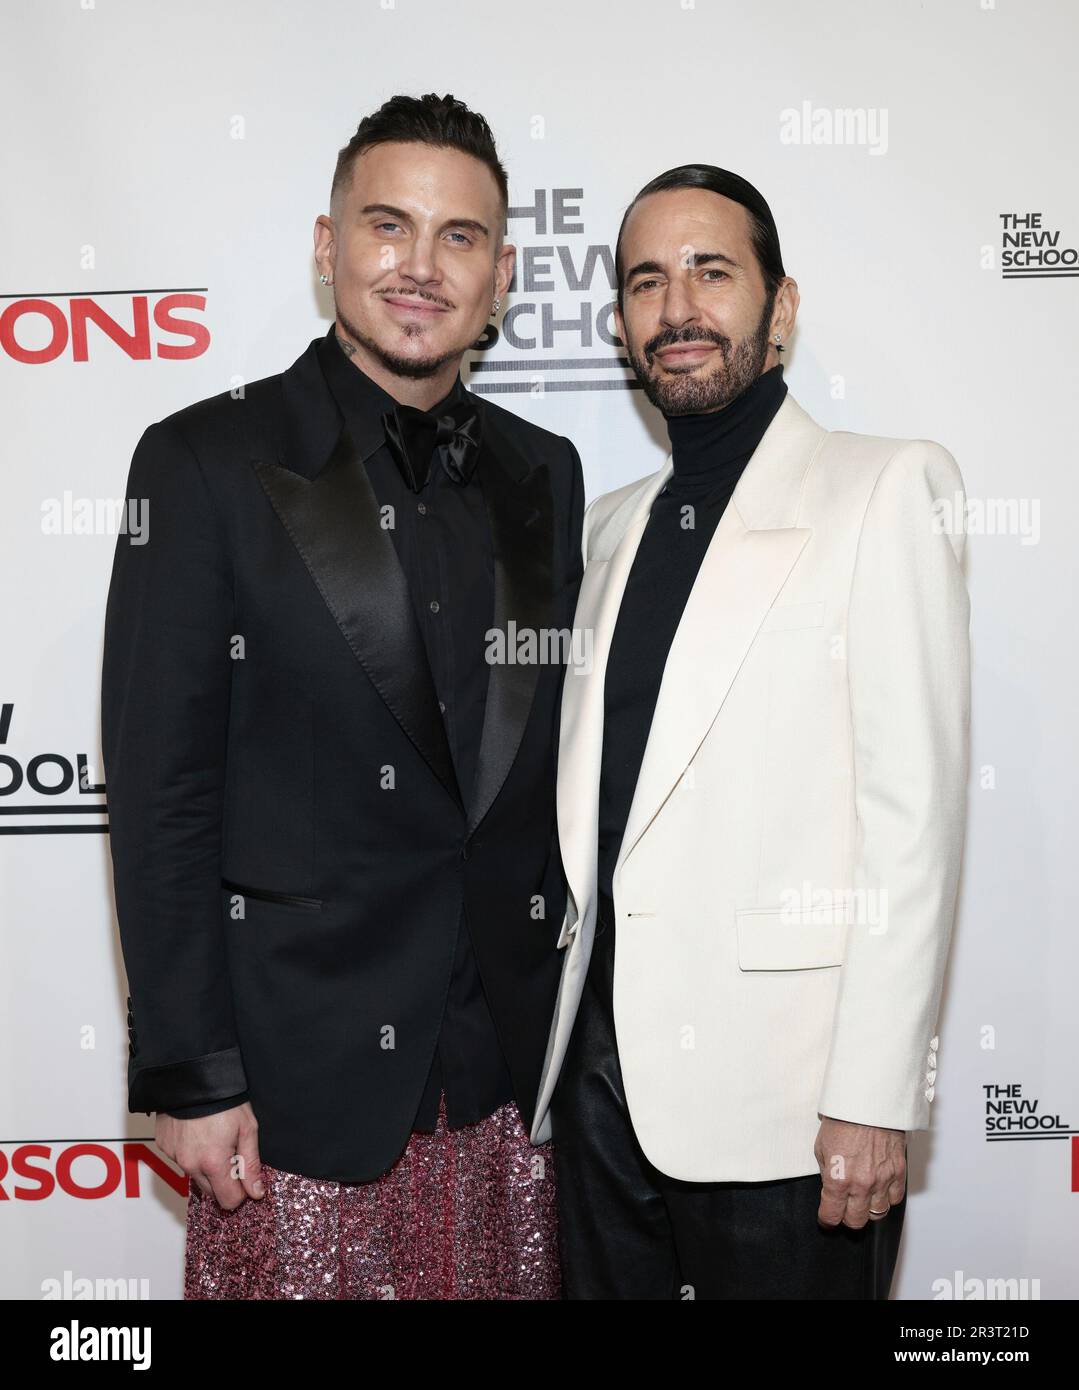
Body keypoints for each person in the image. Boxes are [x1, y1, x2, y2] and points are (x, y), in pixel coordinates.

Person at [102, 93, 584, 1300]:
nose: (420, 267)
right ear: (328, 250)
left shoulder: (547, 473)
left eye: (459, 237)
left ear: (502, 273)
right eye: (387, 226)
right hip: (291, 1096)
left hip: (501, 1086)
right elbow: (160, 792)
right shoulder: (203, 460)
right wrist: (190, 1072)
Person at [532, 164, 970, 1299]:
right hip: (595, 1089)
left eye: (709, 271)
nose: (675, 306)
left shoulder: (881, 489)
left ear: (778, 309)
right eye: (644, 280)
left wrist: (873, 1096)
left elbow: (910, 820)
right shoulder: (608, 529)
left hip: (785, 1106)